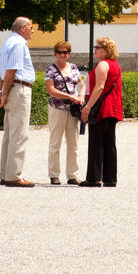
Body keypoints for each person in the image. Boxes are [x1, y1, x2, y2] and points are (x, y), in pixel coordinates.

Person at [0, 16, 36, 187]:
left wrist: (0, 93)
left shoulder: (7, 44)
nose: (33, 31)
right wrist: (3, 94)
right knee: (19, 134)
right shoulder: (19, 44)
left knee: (10, 134)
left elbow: (0, 73)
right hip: (19, 89)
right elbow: (11, 70)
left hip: (10, 89)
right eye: (31, 27)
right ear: (23, 28)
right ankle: (14, 175)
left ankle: (6, 174)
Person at [81, 36, 123, 187]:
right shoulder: (115, 65)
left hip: (102, 108)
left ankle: (93, 178)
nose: (95, 50)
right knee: (109, 144)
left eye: (97, 47)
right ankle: (110, 178)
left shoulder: (103, 65)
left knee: (96, 143)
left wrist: (88, 107)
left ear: (106, 50)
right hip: (113, 108)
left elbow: (99, 87)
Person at [45, 41, 84, 184]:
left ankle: (72, 175)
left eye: (66, 52)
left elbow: (81, 84)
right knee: (55, 142)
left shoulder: (73, 67)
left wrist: (80, 96)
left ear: (69, 54)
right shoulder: (51, 69)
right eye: (60, 52)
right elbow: (51, 90)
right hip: (57, 108)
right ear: (55, 54)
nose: (63, 55)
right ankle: (54, 174)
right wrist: (69, 96)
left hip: (72, 110)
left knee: (73, 142)